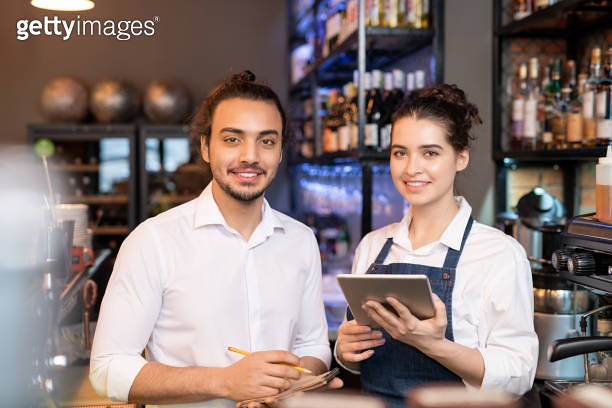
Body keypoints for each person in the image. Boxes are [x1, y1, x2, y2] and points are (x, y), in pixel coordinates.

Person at [90, 71, 340, 407]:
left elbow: (313, 347)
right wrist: (226, 382)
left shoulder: (301, 241)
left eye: (266, 141)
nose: (250, 156)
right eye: (232, 139)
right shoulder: (153, 241)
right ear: (206, 147)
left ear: (280, 151)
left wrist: (281, 388)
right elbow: (108, 368)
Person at [335, 84, 538, 407]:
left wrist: (434, 345)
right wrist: (346, 352)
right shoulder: (373, 246)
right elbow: (359, 359)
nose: (411, 168)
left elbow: (519, 374)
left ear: (461, 158)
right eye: (400, 152)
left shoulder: (499, 254)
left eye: (430, 153)